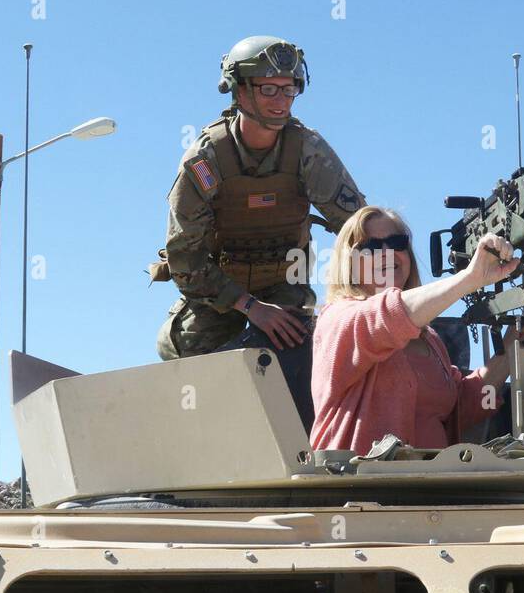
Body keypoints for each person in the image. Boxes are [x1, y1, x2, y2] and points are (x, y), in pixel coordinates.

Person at [150, 36, 366, 360]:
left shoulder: (307, 151)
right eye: (268, 88)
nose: (280, 100)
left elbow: (359, 227)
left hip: (285, 289)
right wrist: (249, 306)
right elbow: (184, 258)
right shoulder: (207, 160)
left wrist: (367, 302)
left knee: (295, 358)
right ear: (239, 90)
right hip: (218, 291)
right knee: (180, 350)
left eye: (288, 89)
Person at [310, 206, 524, 454]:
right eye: (370, 247)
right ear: (348, 263)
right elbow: (386, 315)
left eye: (396, 242)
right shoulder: (338, 319)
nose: (386, 252)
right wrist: (470, 278)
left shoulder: (429, 338)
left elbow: (462, 406)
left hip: (430, 487)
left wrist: (512, 348)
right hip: (361, 488)